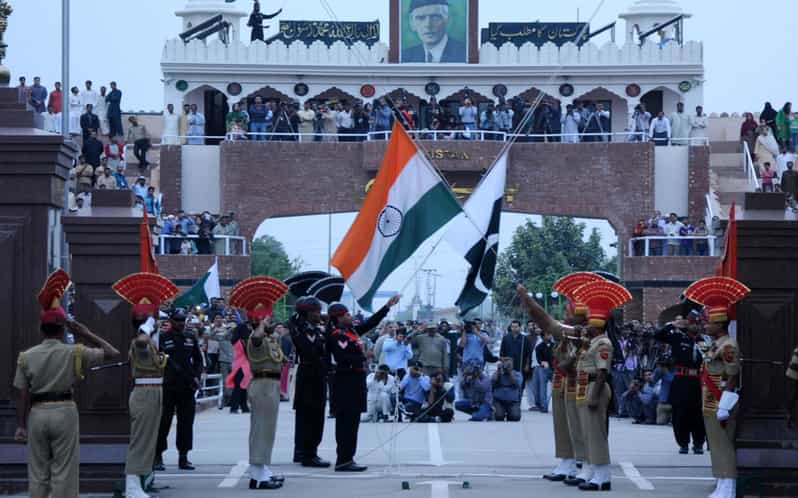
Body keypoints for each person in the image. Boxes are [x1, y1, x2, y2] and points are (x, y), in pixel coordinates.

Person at [14, 270, 120, 498]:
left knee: (38, 470)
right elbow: (112, 352)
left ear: (41, 329)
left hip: (37, 413)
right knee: (64, 469)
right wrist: (85, 332)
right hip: (64, 412)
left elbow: (22, 393)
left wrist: (21, 426)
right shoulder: (75, 352)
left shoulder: (26, 356)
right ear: (63, 330)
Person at [521, 272, 602, 483]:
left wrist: (528, 301)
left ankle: (584, 463)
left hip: (580, 382)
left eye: (570, 312)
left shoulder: (580, 332)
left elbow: (546, 322)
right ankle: (567, 460)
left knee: (580, 427)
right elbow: (547, 323)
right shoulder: (572, 331)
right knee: (562, 424)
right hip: (563, 381)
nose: (565, 315)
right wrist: (527, 302)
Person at [682, 277, 750, 498]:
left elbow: (732, 375)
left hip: (721, 398)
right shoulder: (716, 344)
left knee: (724, 444)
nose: (705, 325)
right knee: (716, 444)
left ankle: (728, 487)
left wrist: (725, 403)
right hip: (711, 397)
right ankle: (721, 482)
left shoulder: (728, 345)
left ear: (720, 323)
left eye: (709, 321)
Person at [112, 272, 178, 498]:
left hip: (153, 391)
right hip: (145, 392)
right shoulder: (140, 341)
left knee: (149, 439)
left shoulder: (151, 344)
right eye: (153, 319)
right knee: (141, 439)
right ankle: (132, 486)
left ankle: (143, 478)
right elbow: (141, 341)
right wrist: (147, 327)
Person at [326, 297, 400, 471]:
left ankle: (348, 458)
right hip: (345, 382)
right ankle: (343, 459)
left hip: (355, 381)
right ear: (338, 318)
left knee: (353, 421)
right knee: (346, 422)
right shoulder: (337, 335)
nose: (350, 316)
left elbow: (371, 323)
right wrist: (363, 356)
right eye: (346, 315)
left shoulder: (351, 332)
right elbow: (343, 358)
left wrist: (387, 307)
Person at [228, 277, 288, 490]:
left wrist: (268, 326)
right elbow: (255, 338)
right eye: (266, 316)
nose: (271, 319)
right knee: (261, 429)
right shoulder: (254, 338)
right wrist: (260, 322)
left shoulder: (270, 338)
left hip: (270, 386)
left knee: (267, 429)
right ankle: (257, 475)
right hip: (262, 385)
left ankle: (262, 471)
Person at [154, 308, 203, 472]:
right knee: (164, 422)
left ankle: (184, 456)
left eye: (183, 320)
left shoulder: (190, 337)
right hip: (168, 386)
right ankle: (158, 456)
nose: (181, 323)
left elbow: (198, 359)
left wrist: (197, 376)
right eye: (177, 320)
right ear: (171, 321)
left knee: (186, 422)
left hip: (187, 386)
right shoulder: (162, 338)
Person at [288, 296, 330, 467]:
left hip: (317, 374)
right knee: (310, 415)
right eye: (317, 311)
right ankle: (308, 453)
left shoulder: (317, 330)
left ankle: (303, 451)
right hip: (308, 374)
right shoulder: (300, 330)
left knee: (313, 414)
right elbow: (309, 350)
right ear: (308, 313)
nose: (320, 314)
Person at [655, 314, 705, 452]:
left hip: (699, 381)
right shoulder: (678, 338)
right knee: (680, 412)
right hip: (682, 379)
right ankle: (683, 443)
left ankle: (698, 443)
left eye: (698, 323)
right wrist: (673, 324)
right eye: (692, 323)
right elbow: (658, 335)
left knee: (698, 413)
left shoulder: (705, 340)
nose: (695, 325)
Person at [401, 0, 466, 63]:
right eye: (421, 18)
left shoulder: (465, 54)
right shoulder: (404, 56)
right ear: (412, 23)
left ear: (447, 20)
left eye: (435, 17)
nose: (428, 25)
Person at [492, 357, 522, 421]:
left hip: (512, 402)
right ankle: (501, 412)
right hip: (499, 401)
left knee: (515, 417)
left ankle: (510, 413)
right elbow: (492, 381)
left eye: (509, 365)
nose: (507, 366)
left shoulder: (517, 373)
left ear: (512, 365)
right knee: (498, 417)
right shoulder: (498, 373)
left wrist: (510, 373)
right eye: (505, 364)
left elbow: (517, 383)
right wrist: (498, 371)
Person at [533, 330, 554, 413]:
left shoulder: (555, 346)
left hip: (555, 369)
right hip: (543, 369)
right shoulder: (539, 347)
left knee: (555, 388)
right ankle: (544, 406)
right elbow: (539, 360)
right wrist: (543, 362)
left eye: (550, 334)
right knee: (543, 388)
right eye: (547, 334)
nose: (550, 336)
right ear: (542, 337)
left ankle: (554, 405)